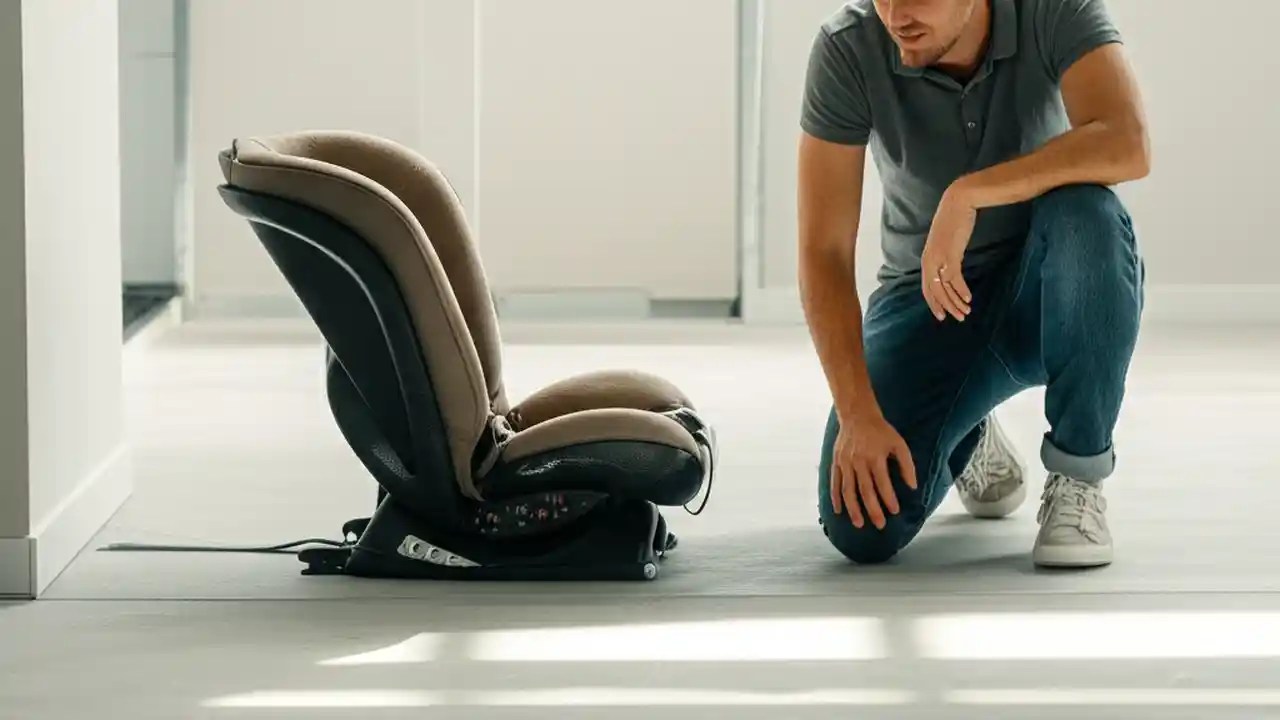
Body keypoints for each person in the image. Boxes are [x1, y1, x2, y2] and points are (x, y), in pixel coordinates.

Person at [798, 0, 1149, 568]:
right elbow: (825, 251)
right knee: (861, 526)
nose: (896, 14)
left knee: (1089, 213)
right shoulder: (848, 45)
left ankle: (1077, 477)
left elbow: (1127, 140)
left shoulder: (1053, 9)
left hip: (1052, 281)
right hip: (928, 299)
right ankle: (968, 426)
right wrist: (859, 415)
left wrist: (970, 192)